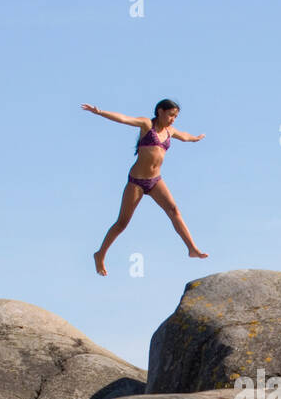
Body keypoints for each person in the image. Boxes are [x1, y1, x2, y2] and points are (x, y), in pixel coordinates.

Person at [81, 99, 208, 275]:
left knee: (174, 210)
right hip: (137, 182)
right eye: (171, 115)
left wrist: (196, 138)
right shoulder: (146, 124)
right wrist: (100, 112)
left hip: (155, 181)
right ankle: (100, 254)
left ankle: (192, 248)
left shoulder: (170, 131)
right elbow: (124, 119)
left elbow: (185, 136)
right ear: (160, 111)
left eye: (176, 117)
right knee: (122, 223)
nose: (173, 120)